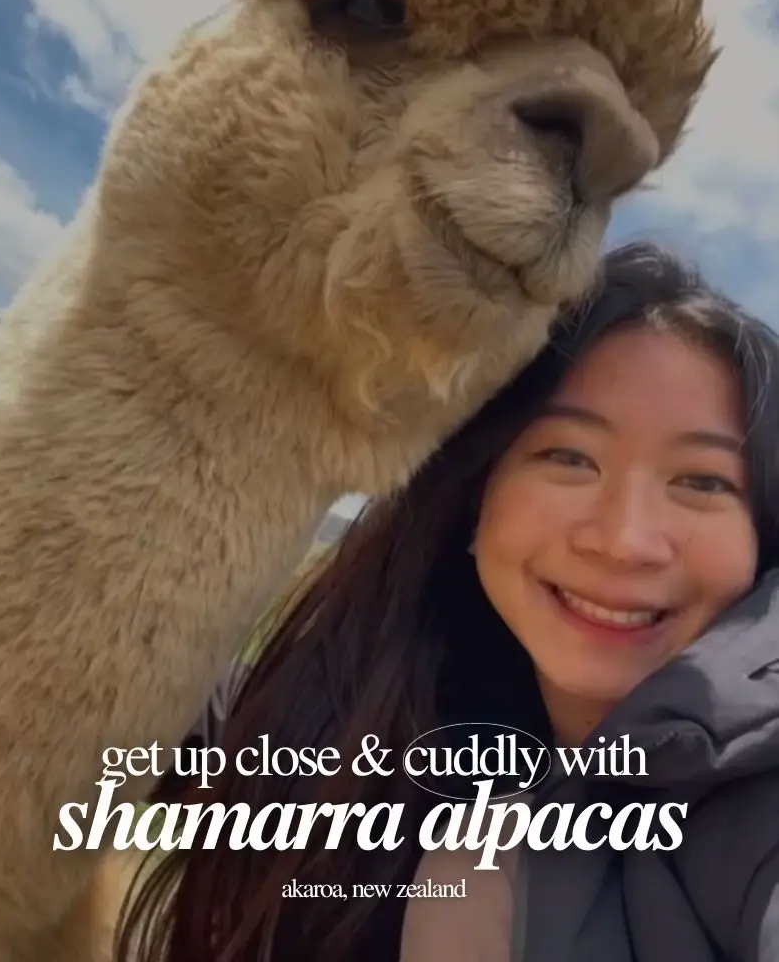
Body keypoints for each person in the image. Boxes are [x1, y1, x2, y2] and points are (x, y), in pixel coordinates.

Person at [117, 239, 779, 961]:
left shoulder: (749, 796)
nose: (624, 541)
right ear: (473, 499)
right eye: (568, 457)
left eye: (704, 482)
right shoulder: (389, 726)